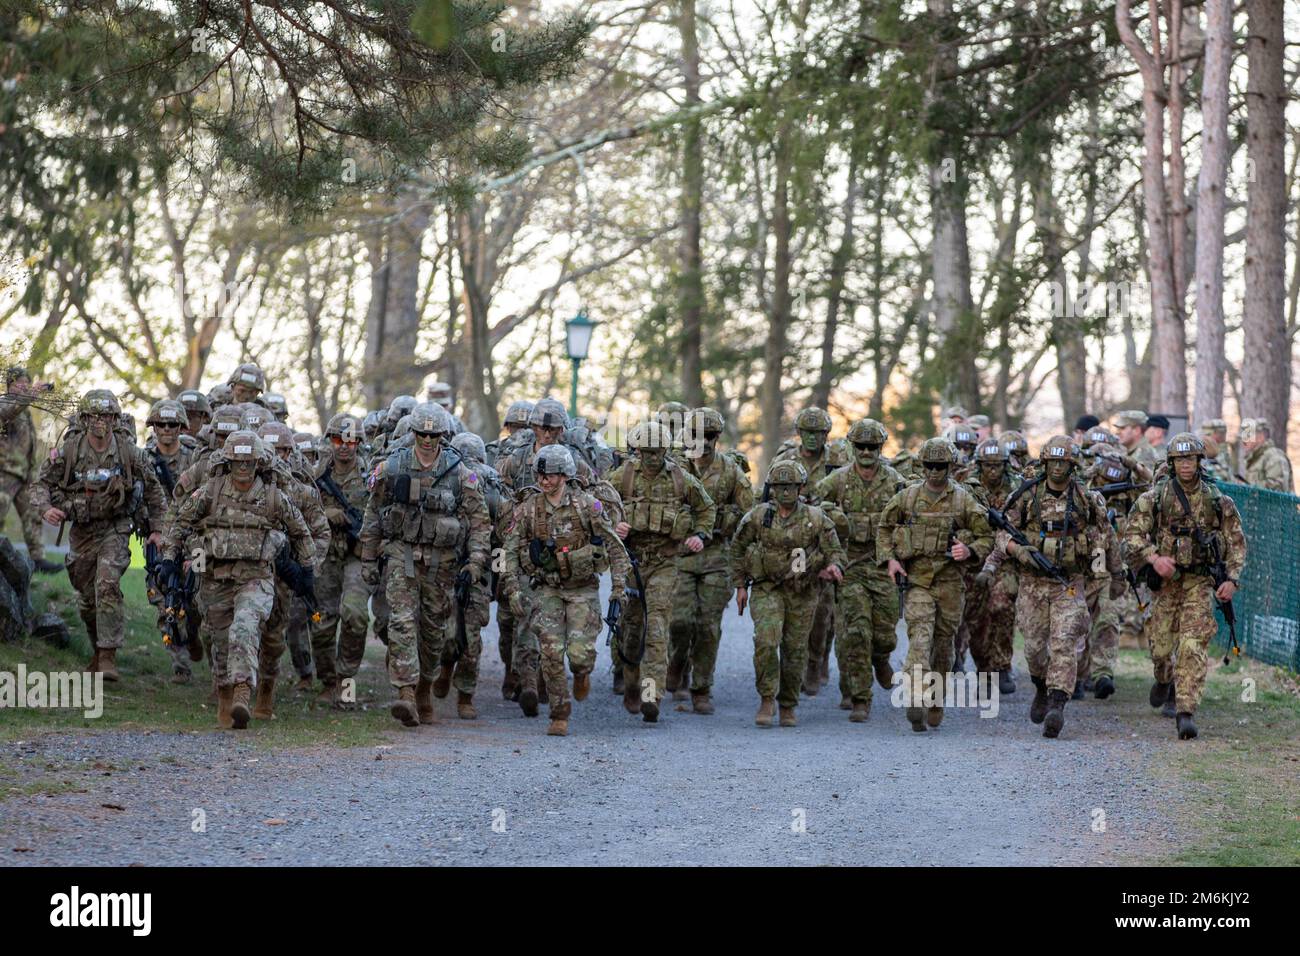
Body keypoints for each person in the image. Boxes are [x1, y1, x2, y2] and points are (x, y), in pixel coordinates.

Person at [161, 431, 314, 728]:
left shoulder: (272, 496)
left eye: (249, 462)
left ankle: (243, 691)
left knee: (244, 627)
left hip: (255, 577)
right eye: (237, 462)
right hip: (215, 578)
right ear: (228, 462)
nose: (243, 468)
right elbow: (181, 521)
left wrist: (306, 570)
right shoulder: (211, 491)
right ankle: (225, 696)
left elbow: (300, 530)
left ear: (258, 463)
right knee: (219, 641)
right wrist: (170, 558)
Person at [359, 403, 491, 726]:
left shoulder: (459, 472)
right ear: (414, 434)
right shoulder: (394, 465)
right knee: (402, 624)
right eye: (422, 434)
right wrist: (368, 554)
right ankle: (405, 692)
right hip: (401, 558)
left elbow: (479, 520)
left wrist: (475, 561)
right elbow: (374, 510)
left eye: (434, 435)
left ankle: (424, 688)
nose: (428, 440)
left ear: (443, 435)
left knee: (434, 636)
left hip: (441, 565)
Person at [31, 390, 167, 681]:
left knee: (106, 584)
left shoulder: (128, 451)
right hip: (81, 530)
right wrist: (45, 508)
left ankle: (107, 656)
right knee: (86, 596)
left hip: (115, 528)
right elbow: (41, 483)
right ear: (83, 418)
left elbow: (154, 490)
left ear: (115, 419)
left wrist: (157, 530)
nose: (99, 422)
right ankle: (97, 649)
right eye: (93, 415)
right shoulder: (69, 450)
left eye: (105, 415)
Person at [500, 445, 631, 736]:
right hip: (547, 589)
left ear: (564, 475)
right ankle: (559, 713)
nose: (544, 480)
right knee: (550, 650)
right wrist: (512, 589)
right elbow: (509, 551)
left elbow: (614, 546)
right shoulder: (529, 509)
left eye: (551, 475)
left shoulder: (587, 506)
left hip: (582, 589)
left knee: (580, 654)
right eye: (541, 474)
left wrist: (619, 588)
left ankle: (583, 673)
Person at [1123, 434, 1247, 739]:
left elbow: (1236, 543)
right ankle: (1163, 679)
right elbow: (1131, 538)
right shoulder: (1154, 497)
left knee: (1193, 645)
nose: (1186, 465)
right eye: (1180, 459)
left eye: (1191, 459)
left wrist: (1232, 580)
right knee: (1161, 648)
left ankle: (1185, 709)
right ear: (1172, 463)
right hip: (1166, 584)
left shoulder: (1218, 500)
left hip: (1199, 581)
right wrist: (1154, 559)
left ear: (1200, 461)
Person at [997, 436, 1112, 738]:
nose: (1058, 467)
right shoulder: (1026, 495)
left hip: (1069, 583)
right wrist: (1018, 550)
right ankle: (1040, 686)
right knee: (1035, 648)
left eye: (1064, 462)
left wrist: (1099, 574)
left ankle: (1057, 705)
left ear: (1072, 465)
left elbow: (1103, 537)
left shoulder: (1086, 498)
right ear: (1045, 463)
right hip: (1033, 583)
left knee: (1064, 642)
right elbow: (1000, 533)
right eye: (1053, 461)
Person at [877, 438, 992, 732]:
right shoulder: (908, 497)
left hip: (951, 583)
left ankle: (936, 698)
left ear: (951, 467)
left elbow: (986, 537)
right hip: (918, 581)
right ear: (922, 466)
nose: (935, 472)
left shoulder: (963, 500)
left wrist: (968, 551)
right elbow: (885, 528)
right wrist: (890, 560)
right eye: (929, 465)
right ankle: (915, 696)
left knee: (943, 645)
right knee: (919, 637)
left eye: (941, 466)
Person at [608, 420, 714, 722]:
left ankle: (650, 695)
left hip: (665, 562)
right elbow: (598, 506)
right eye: (646, 453)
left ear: (666, 451)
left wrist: (700, 535)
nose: (652, 459)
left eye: (657, 453)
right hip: (632, 562)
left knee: (656, 627)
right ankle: (630, 684)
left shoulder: (680, 479)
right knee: (631, 629)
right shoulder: (623, 476)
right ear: (637, 451)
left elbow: (706, 509)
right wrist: (615, 524)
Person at [732, 459, 845, 727]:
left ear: (801, 488)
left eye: (791, 487)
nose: (785, 492)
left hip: (802, 593)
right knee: (767, 641)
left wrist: (833, 567)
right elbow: (737, 548)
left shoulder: (815, 518)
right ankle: (767, 698)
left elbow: (836, 551)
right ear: (772, 488)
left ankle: (788, 703)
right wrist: (739, 586)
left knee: (795, 649)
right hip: (767, 588)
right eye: (780, 486)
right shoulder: (758, 517)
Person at [813, 419, 904, 720]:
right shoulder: (835, 482)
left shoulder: (895, 482)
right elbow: (811, 513)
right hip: (849, 565)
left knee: (885, 633)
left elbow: (909, 521)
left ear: (880, 448)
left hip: (881, 565)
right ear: (853, 448)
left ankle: (882, 658)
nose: (866, 452)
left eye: (872, 447)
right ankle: (860, 698)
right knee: (857, 630)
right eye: (861, 446)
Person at [668, 408, 753, 713]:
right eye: (695, 435)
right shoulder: (674, 468)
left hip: (718, 556)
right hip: (680, 556)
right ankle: (676, 664)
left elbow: (749, 516)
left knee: (708, 625)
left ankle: (701, 688)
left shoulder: (731, 472)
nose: (702, 441)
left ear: (717, 438)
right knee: (679, 621)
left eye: (709, 436)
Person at [253, 421, 331, 719]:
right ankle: (234, 689)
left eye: (281, 450)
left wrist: (307, 569)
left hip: (283, 576)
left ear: (289, 453)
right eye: (268, 450)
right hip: (243, 572)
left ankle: (265, 694)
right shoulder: (236, 484)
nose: (274, 456)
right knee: (238, 630)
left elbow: (320, 533)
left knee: (273, 637)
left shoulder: (300, 493)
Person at [772, 407, 848, 692]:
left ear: (826, 434)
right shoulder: (785, 460)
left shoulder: (838, 461)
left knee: (822, 612)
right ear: (799, 433)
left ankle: (816, 662)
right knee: (793, 605)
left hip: (825, 543)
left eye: (818, 433)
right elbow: (767, 497)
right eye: (807, 432)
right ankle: (793, 665)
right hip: (791, 545)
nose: (812, 438)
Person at [309, 412, 371, 705]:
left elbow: (385, 514)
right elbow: (298, 511)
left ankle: (347, 683)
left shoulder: (372, 475)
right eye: (338, 439)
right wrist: (325, 515)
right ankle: (328, 680)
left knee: (355, 614)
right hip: (325, 556)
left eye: (350, 440)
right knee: (321, 623)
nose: (344, 445)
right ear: (329, 441)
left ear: (359, 442)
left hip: (357, 557)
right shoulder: (316, 474)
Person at [142, 398, 203, 683]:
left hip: (194, 537)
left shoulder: (196, 456)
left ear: (181, 427)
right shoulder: (143, 458)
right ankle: (179, 662)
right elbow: (135, 497)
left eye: (172, 424)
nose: (166, 429)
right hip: (158, 537)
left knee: (197, 597)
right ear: (153, 427)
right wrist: (152, 528)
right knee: (162, 599)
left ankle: (194, 636)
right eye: (161, 424)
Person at [969, 439, 1022, 695]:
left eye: (997, 465)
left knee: (1001, 607)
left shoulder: (1018, 487)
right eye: (987, 465)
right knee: (975, 618)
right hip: (974, 558)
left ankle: (1002, 665)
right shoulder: (967, 486)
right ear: (980, 465)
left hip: (1005, 559)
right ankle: (983, 668)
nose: (992, 471)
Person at [0, 367, 61, 573]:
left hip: (25, 473)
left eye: (27, 383)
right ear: (9, 386)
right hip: (5, 471)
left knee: (33, 516)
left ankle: (38, 560)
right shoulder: (5, 403)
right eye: (19, 384)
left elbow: (29, 444)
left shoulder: (24, 411)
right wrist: (32, 393)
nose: (24, 387)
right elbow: (9, 410)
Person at [1240, 418, 1292, 493]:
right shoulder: (1256, 459)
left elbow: (1278, 489)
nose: (1244, 441)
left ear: (1260, 437)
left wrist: (1247, 487)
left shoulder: (1275, 456)